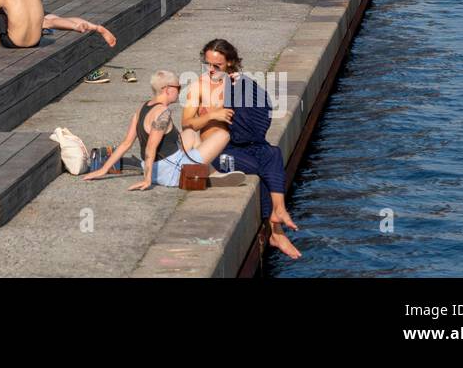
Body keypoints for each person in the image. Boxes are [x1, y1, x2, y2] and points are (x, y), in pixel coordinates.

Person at [182, 40, 300, 259]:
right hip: (219, 151)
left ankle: (279, 211)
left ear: (230, 63)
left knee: (273, 153)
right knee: (259, 167)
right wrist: (211, 115)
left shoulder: (240, 85)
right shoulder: (199, 86)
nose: (211, 69)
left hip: (242, 144)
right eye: (207, 63)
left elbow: (256, 118)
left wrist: (242, 88)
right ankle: (277, 229)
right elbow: (187, 123)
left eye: (217, 65)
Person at [83, 70, 247, 190]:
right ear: (167, 89)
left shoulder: (143, 107)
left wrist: (103, 170)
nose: (180, 90)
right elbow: (150, 148)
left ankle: (212, 172)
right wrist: (147, 181)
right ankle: (206, 173)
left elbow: (126, 143)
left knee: (190, 133)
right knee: (223, 134)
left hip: (158, 168)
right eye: (178, 87)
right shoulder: (162, 113)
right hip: (171, 173)